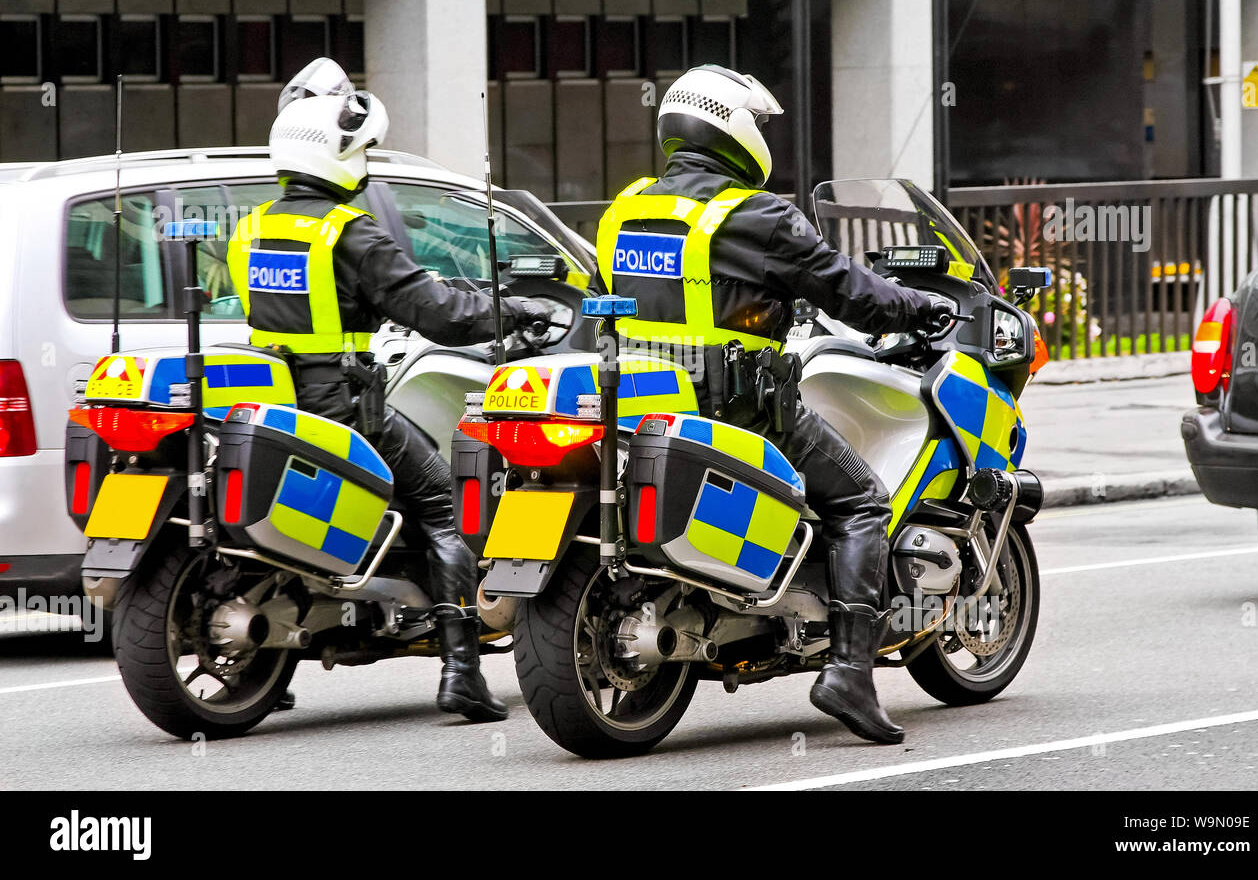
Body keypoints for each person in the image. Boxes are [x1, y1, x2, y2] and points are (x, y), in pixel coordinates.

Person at [595, 64, 950, 744]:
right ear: (733, 129)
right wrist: (922, 303)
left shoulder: (628, 207)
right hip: (738, 409)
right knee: (862, 502)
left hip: (643, 403)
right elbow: (849, 291)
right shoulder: (755, 216)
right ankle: (849, 670)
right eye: (760, 126)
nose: (765, 137)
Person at [227, 58, 550, 722]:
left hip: (271, 401)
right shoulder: (349, 231)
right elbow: (438, 311)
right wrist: (510, 308)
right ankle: (462, 669)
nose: (367, 161)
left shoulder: (252, 226)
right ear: (338, 154)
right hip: (342, 405)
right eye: (362, 149)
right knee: (442, 505)